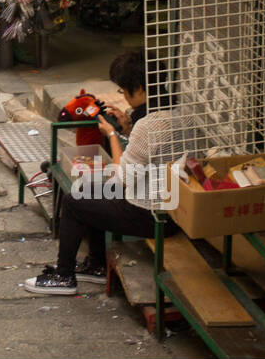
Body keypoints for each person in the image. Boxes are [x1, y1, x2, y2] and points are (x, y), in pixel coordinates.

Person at [22, 49, 183, 296]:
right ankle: (96, 265)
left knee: (74, 202)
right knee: (88, 188)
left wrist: (111, 134)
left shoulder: (149, 124)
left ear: (139, 88)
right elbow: (148, 155)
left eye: (124, 90)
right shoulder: (178, 112)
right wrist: (127, 127)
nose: (124, 97)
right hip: (172, 205)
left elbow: (122, 179)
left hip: (153, 214)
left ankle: (64, 276)